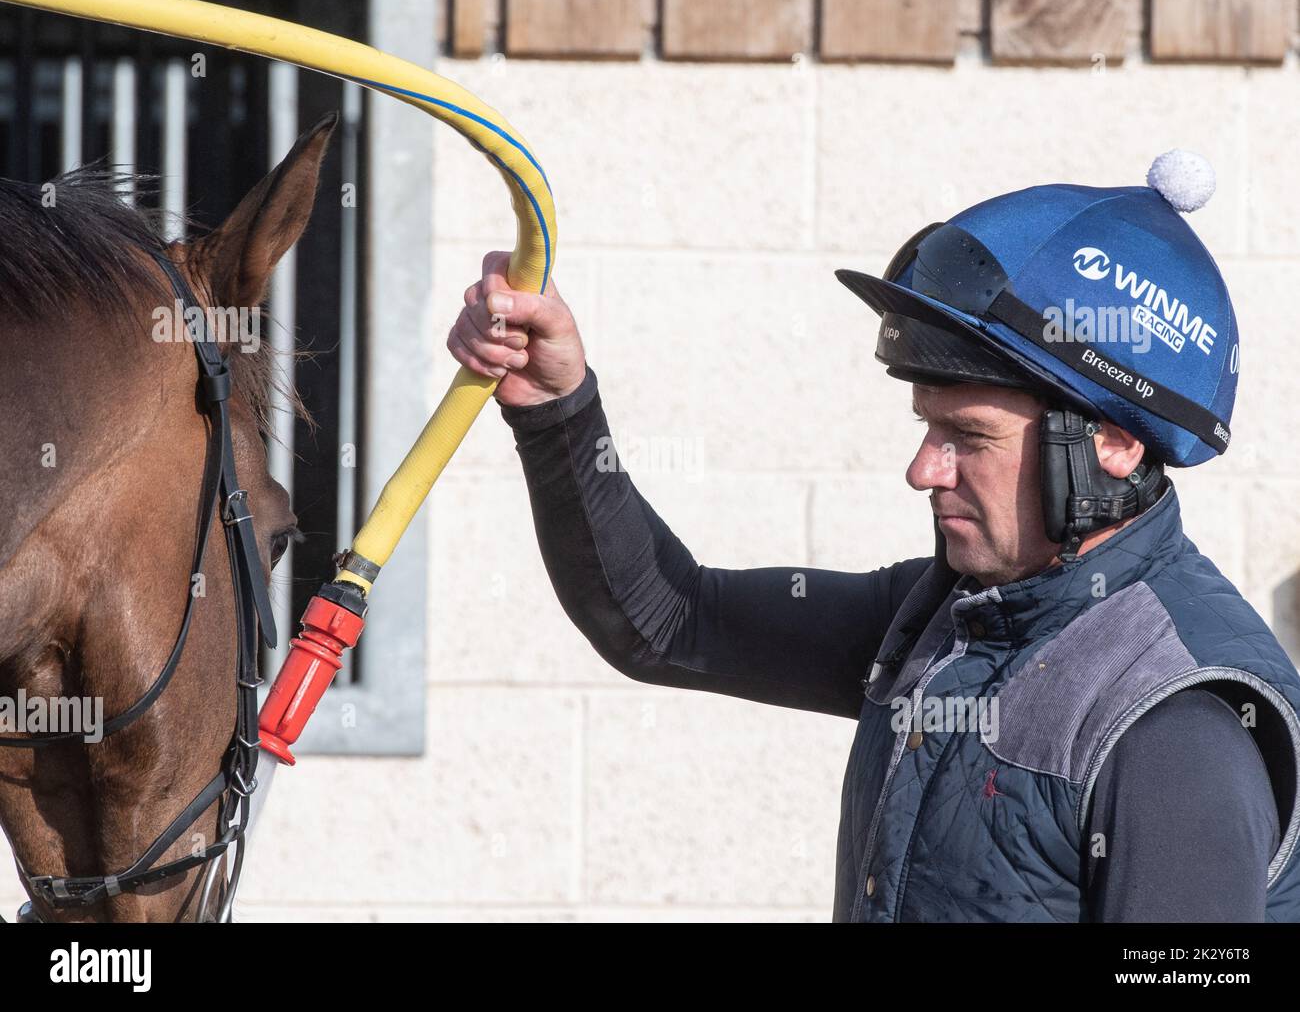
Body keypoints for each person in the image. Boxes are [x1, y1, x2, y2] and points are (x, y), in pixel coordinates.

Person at [444, 149, 1300, 922]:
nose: (923, 470)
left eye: (968, 437)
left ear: (1114, 443)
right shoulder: (949, 617)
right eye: (928, 427)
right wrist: (556, 405)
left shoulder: (1176, 731)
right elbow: (665, 620)